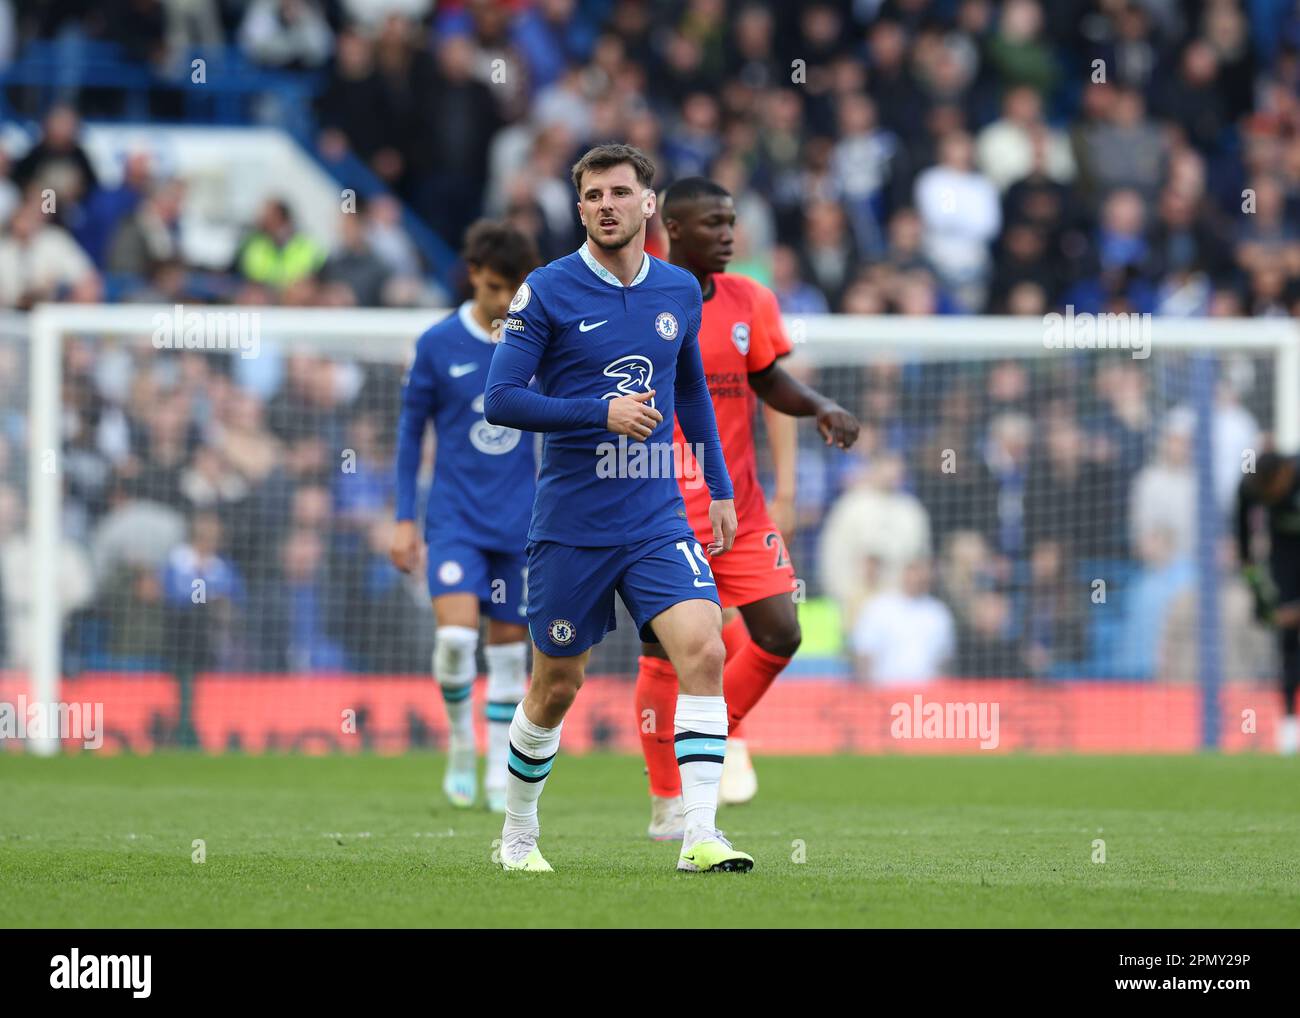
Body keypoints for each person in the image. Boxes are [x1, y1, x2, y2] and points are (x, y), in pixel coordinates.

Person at [483, 143, 751, 873]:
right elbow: (500, 399)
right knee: (555, 686)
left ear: (648, 204)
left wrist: (719, 486)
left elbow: (689, 390)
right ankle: (517, 833)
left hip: (656, 515)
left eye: (620, 192)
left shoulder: (676, 292)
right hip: (572, 525)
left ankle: (699, 834)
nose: (607, 204)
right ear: (580, 209)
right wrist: (597, 413)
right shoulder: (545, 291)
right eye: (593, 195)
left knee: (704, 649)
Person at [635, 176, 860, 838]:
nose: (729, 234)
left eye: (731, 222)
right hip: (662, 508)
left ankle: (715, 733)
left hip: (742, 508)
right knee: (662, 658)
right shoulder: (641, 299)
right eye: (713, 223)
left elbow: (768, 379)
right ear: (674, 228)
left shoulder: (750, 299)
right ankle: (665, 800)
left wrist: (819, 405)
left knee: (779, 632)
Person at [390, 220, 540, 810]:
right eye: (496, 286)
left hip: (520, 522)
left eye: (515, 288)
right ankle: (459, 742)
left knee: (507, 656)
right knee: (455, 639)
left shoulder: (534, 343)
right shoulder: (437, 344)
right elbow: (409, 435)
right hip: (454, 520)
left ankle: (503, 773)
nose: (505, 301)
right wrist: (405, 517)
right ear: (474, 274)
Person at [1235, 452, 1300, 754]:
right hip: (1285, 552)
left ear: (1285, 475)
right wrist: (1257, 593)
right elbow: (1244, 544)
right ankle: (1289, 727)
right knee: (1286, 640)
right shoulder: (1250, 487)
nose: (1268, 500)